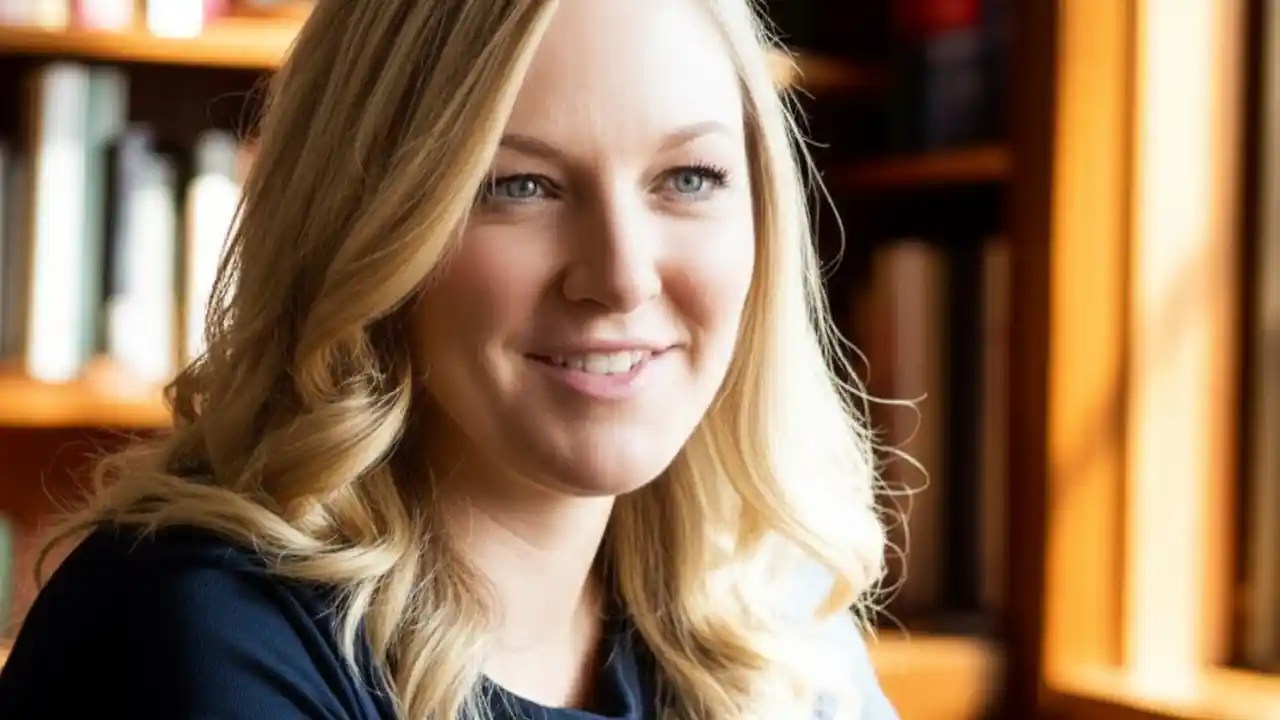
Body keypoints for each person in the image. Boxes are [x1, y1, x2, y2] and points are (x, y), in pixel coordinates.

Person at [0, 0, 897, 718]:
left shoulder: (764, 614)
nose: (622, 278)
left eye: (689, 178)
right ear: (368, 225)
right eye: (518, 186)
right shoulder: (194, 635)